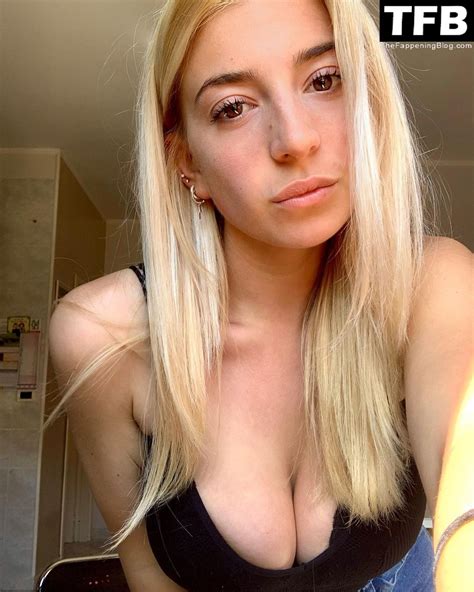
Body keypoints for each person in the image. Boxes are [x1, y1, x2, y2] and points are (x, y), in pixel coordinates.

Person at [45, 0, 473, 590]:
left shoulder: (433, 285)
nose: (295, 139)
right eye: (233, 107)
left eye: (324, 79)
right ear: (187, 162)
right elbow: (152, 579)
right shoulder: (102, 338)